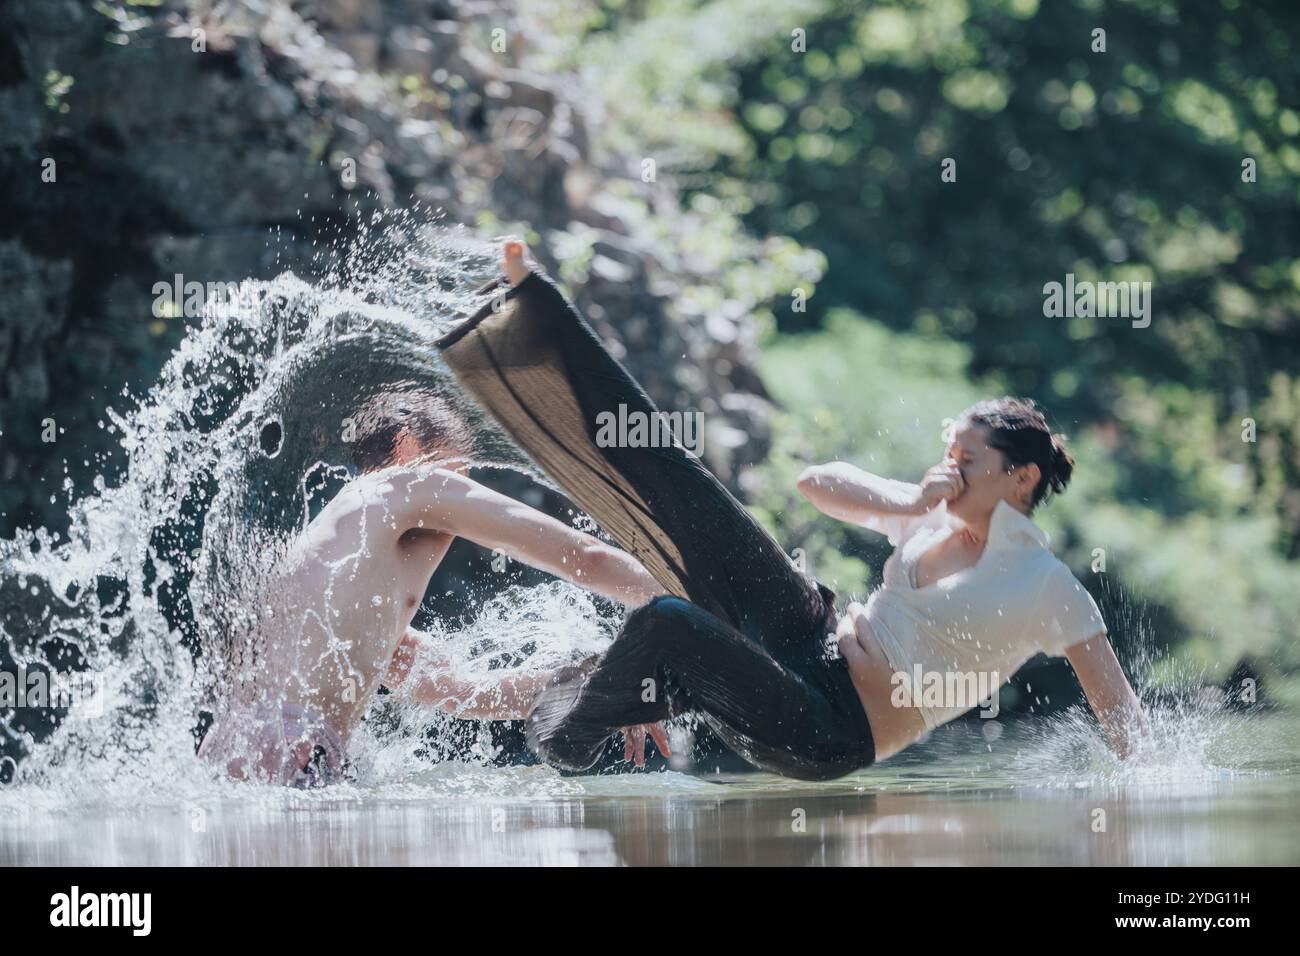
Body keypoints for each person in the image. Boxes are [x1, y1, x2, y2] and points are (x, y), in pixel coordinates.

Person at [434, 240, 1147, 781]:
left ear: (1021, 479)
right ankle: (526, 320)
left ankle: (566, 739)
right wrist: (908, 498)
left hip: (826, 728)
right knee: (688, 484)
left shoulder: (1046, 586)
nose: (949, 468)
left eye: (968, 460)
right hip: (811, 636)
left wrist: (1147, 805)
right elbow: (816, 483)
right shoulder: (930, 509)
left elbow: (1118, 710)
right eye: (948, 450)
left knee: (665, 623)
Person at [197, 349, 670, 787]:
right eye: (458, 473)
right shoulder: (406, 485)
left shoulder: (336, 569)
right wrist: (684, 602)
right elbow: (586, 557)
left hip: (230, 755)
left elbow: (460, 692)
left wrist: (604, 683)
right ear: (406, 447)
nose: (459, 511)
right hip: (297, 753)